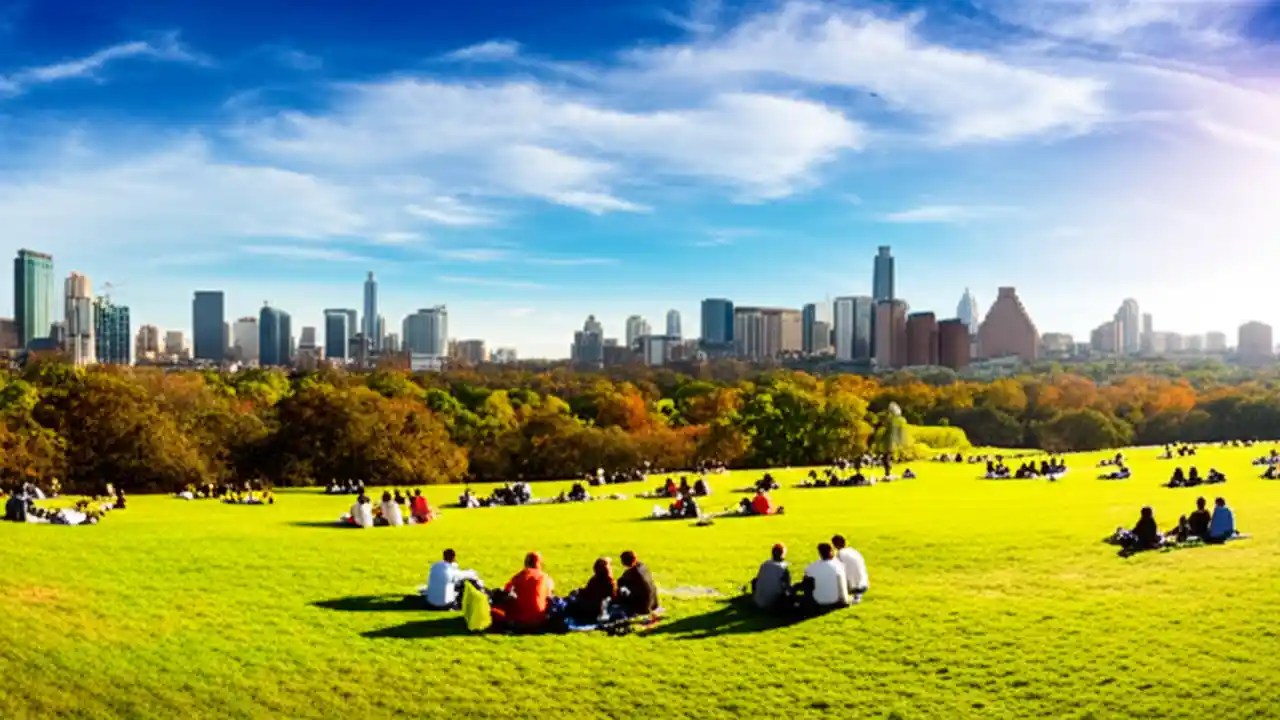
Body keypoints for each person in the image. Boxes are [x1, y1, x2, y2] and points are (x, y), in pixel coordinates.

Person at [491, 552, 555, 631]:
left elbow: (505, 592)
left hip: (520, 621)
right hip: (540, 620)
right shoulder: (546, 578)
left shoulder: (520, 576)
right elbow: (550, 595)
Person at [798, 543, 850, 612]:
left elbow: (805, 581)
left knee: (807, 582)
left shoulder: (812, 567)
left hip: (818, 601)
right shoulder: (839, 565)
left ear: (819, 553)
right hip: (838, 601)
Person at [570, 558, 617, 623]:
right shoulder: (597, 580)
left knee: (571, 604)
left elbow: (589, 593)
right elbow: (588, 591)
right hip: (595, 606)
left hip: (595, 607)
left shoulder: (607, 582)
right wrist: (578, 591)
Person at [616, 550, 659, 617]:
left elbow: (619, 583)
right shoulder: (643, 566)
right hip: (654, 603)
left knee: (620, 593)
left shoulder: (631, 574)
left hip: (643, 607)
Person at [751, 543, 792, 612]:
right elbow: (787, 588)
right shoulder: (783, 569)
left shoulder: (764, 564)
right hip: (773, 603)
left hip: (759, 602)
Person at [831, 535, 869, 603]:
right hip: (865, 584)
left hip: (853, 588)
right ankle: (856, 595)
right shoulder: (854, 551)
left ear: (834, 545)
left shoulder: (840, 554)